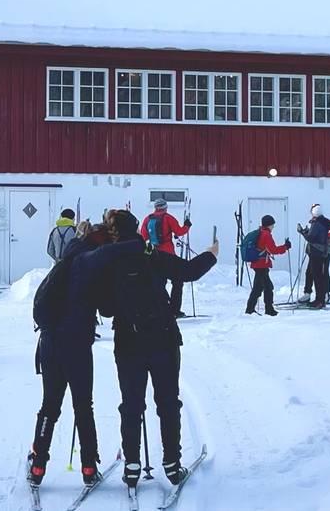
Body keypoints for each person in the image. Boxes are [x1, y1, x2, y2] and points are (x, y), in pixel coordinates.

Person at [93, 210, 217, 492]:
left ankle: (132, 466)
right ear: (137, 229)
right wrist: (211, 253)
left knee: (131, 405)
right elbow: (188, 272)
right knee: (168, 403)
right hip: (163, 338)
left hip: (128, 343)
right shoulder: (151, 254)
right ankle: (172, 465)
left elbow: (106, 310)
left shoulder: (108, 261)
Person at [27, 215, 116, 489]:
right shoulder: (93, 265)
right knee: (83, 406)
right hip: (77, 345)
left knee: (49, 406)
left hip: (50, 342)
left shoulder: (66, 259)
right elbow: (106, 309)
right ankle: (89, 467)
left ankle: (38, 464)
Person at [139, 199, 192, 317]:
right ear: (165, 207)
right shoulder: (168, 218)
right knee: (178, 281)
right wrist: (187, 225)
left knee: (158, 283)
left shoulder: (147, 219)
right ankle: (175, 310)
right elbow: (179, 231)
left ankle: (160, 307)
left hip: (154, 254)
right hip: (168, 254)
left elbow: (143, 236)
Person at [245, 215, 291, 316]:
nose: (273, 227)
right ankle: (252, 310)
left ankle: (267, 309)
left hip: (258, 264)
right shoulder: (266, 235)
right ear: (269, 224)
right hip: (261, 265)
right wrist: (285, 247)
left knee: (267, 287)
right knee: (259, 288)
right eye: (273, 224)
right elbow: (273, 250)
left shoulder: (260, 232)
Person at [297, 204, 330, 309]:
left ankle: (322, 297)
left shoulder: (319, 222)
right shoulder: (323, 222)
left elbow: (311, 238)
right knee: (311, 272)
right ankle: (310, 294)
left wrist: (303, 232)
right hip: (318, 252)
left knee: (320, 274)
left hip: (319, 252)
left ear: (313, 212)